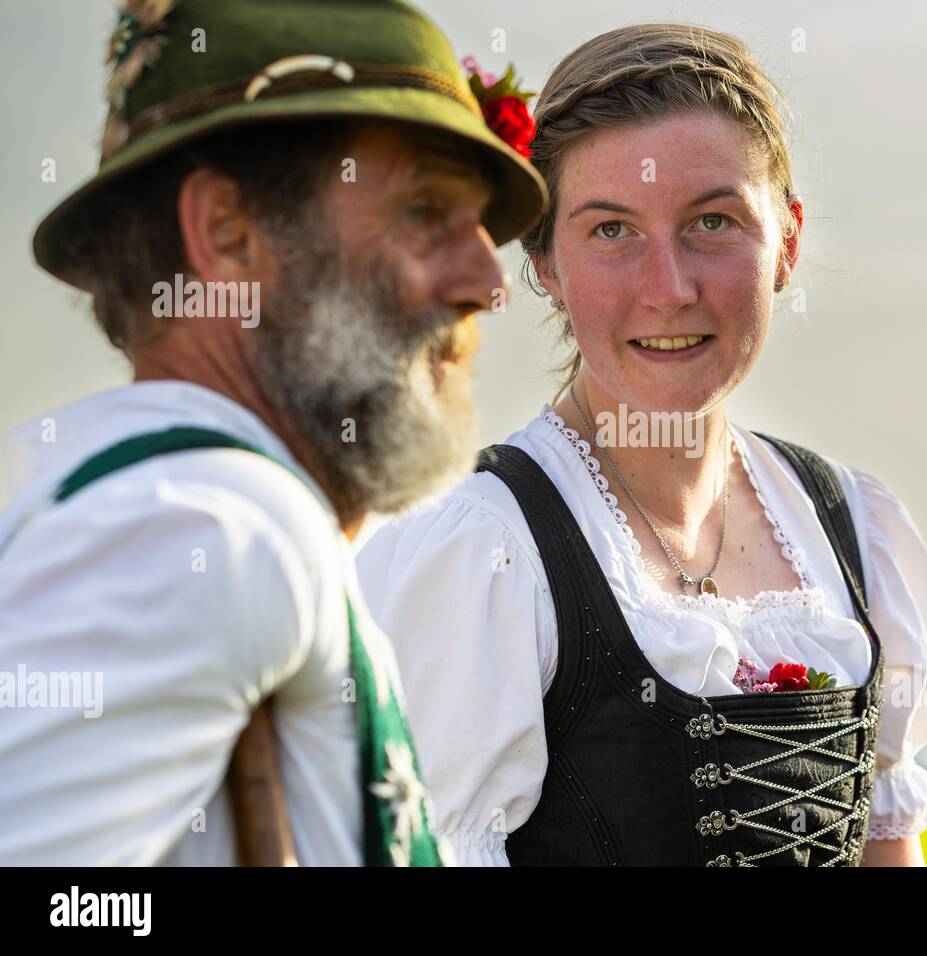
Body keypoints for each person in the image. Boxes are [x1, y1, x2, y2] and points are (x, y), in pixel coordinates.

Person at [356, 23, 927, 867]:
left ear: (786, 241)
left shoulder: (851, 532)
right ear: (545, 264)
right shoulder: (482, 553)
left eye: (713, 221)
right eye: (612, 232)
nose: (669, 287)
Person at [0, 0, 546, 865]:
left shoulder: (76, 477)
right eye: (422, 212)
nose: (487, 278)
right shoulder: (209, 523)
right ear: (229, 232)